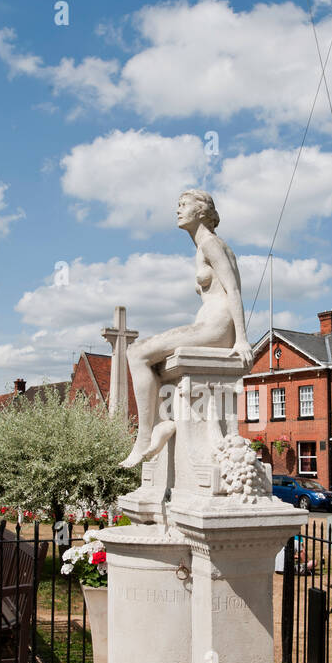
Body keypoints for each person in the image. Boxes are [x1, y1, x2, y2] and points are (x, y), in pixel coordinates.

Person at [120, 190, 253, 468]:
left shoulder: (211, 244)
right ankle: (163, 423)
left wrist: (241, 339)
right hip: (209, 323)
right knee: (148, 359)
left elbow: (234, 291)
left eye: (184, 204)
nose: (178, 209)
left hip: (217, 325)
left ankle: (146, 436)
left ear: (202, 211)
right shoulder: (204, 246)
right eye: (177, 205)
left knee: (137, 353)